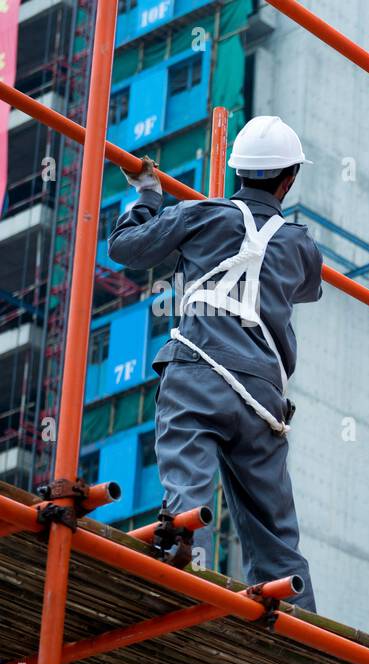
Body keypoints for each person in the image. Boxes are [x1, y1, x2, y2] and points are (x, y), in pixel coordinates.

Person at [108, 116, 322, 610]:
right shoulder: (301, 246)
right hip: (261, 398)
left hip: (197, 375)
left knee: (188, 492)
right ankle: (302, 632)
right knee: (275, 530)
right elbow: (306, 288)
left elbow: (125, 248)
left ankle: (187, 592)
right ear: (289, 178)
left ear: (237, 171)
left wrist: (147, 194)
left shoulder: (201, 214)